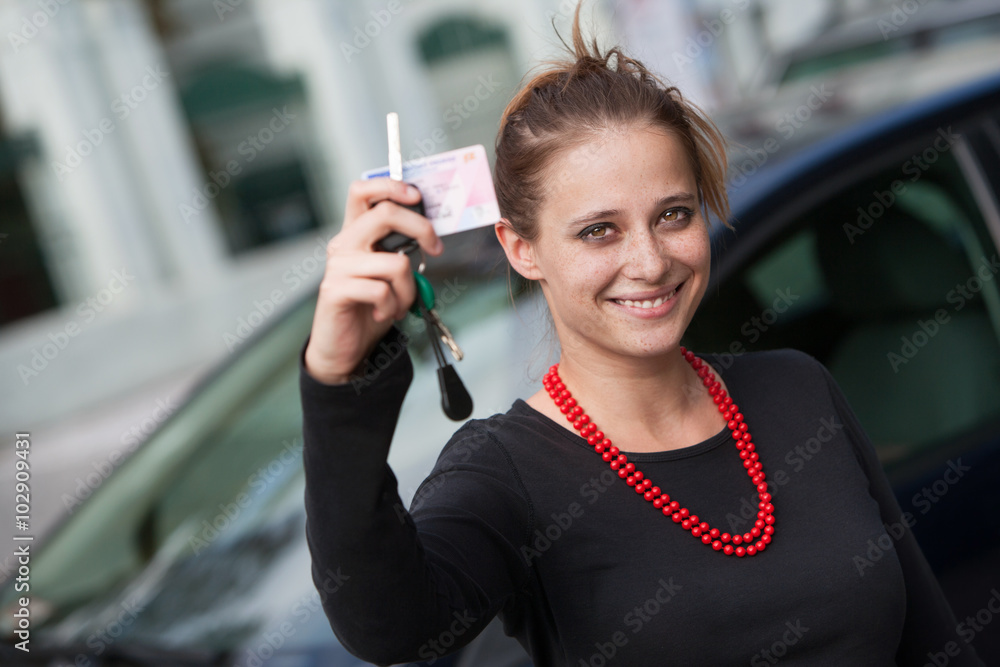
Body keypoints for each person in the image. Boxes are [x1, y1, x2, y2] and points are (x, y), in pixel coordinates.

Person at [298, 3, 982, 665]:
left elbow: (930, 637)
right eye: (600, 230)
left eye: (674, 215)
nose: (651, 261)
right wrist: (336, 379)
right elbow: (387, 624)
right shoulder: (506, 475)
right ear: (521, 248)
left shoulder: (797, 388)